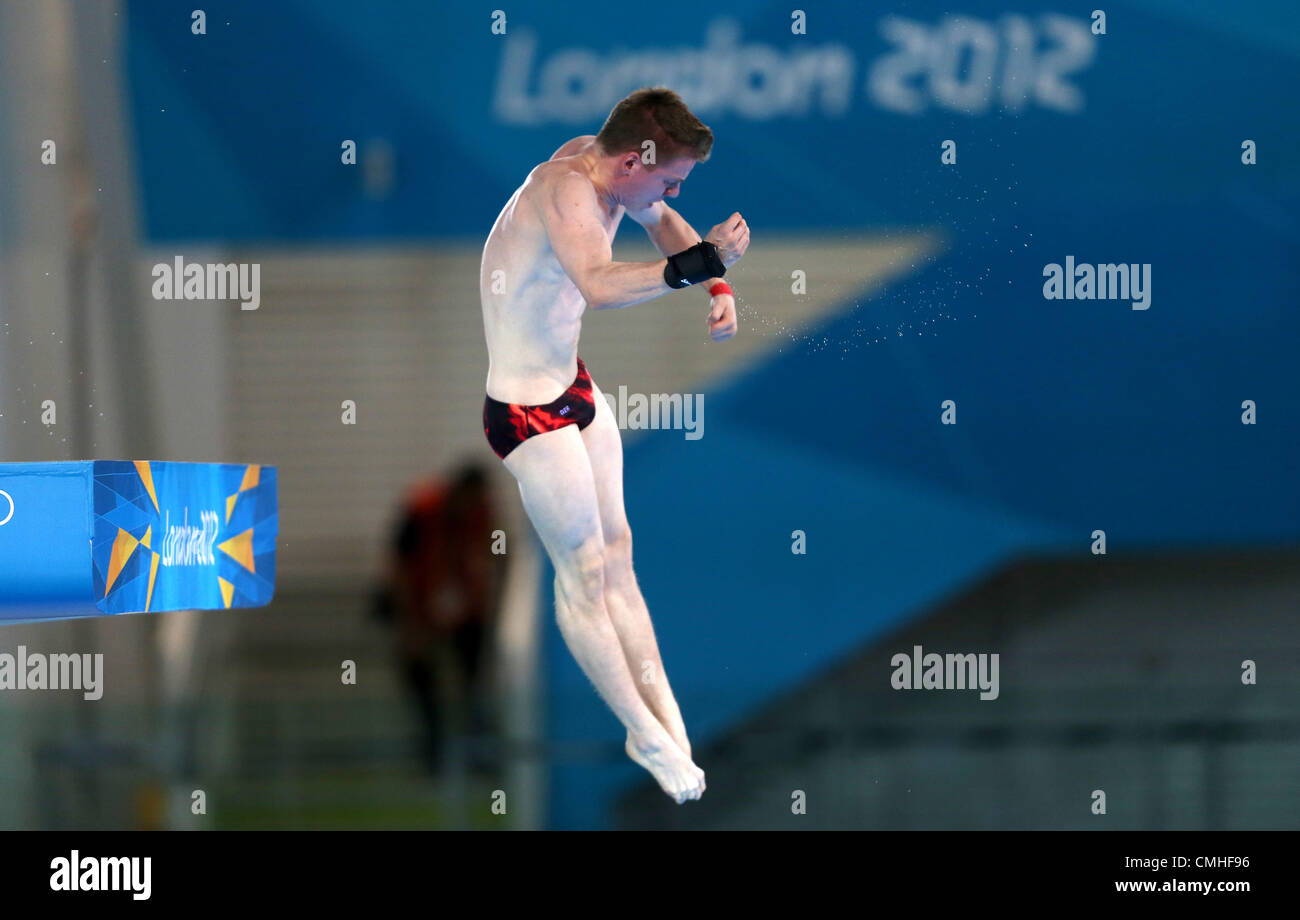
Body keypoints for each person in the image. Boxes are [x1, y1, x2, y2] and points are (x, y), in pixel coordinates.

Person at [479, 86, 750, 803]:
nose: (669, 193)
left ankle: (666, 718)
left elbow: (661, 221)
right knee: (585, 572)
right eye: (668, 177)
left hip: (572, 386)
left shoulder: (609, 171)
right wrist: (694, 267)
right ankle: (640, 730)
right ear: (636, 158)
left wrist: (713, 278)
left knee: (621, 553)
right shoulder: (564, 193)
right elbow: (598, 286)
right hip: (525, 411)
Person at [377, 463, 502, 775]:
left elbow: (495, 558)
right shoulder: (424, 508)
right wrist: (411, 623)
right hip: (421, 607)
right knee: (421, 680)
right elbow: (399, 565)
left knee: (473, 682)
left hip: (465, 611)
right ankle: (433, 754)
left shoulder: (482, 514)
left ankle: (476, 754)